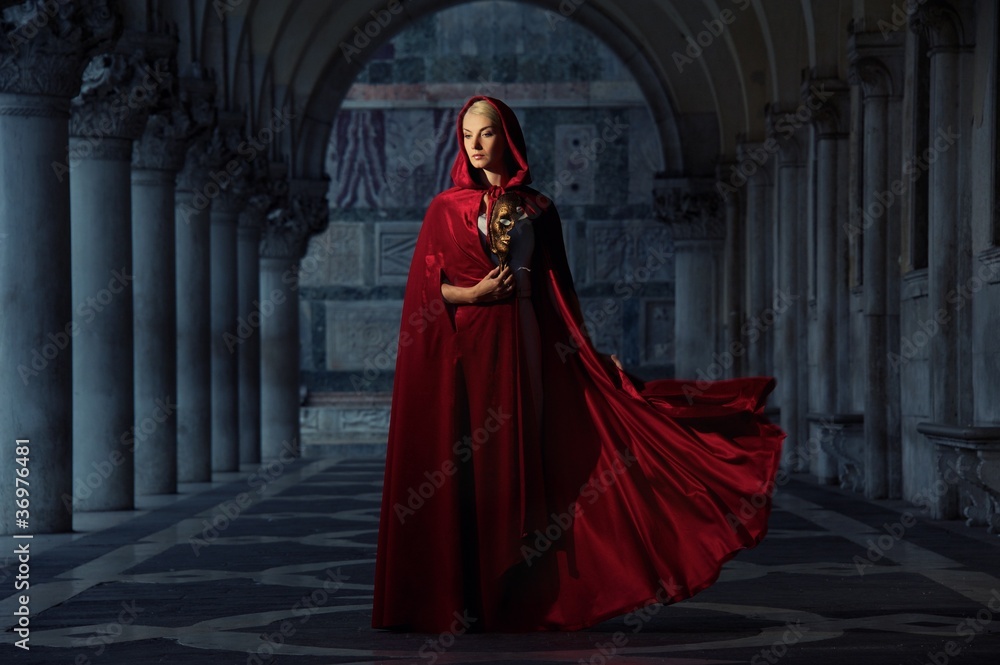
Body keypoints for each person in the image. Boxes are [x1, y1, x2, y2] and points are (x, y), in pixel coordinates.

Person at [372, 96, 784, 632]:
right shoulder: (443, 209)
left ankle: (519, 595)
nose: (475, 145)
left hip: (526, 342)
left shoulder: (539, 208)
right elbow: (425, 290)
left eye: (486, 133)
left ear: (508, 136)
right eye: (467, 134)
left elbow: (557, 289)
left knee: (524, 455)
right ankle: (465, 594)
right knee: (469, 463)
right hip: (464, 355)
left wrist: (583, 347)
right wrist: (472, 295)